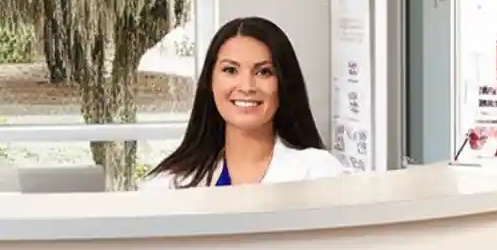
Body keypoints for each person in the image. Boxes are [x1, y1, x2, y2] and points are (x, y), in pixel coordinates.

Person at [143, 16, 348, 189]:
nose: (247, 86)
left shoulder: (322, 173)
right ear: (210, 81)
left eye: (263, 72)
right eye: (230, 70)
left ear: (284, 84)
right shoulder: (167, 185)